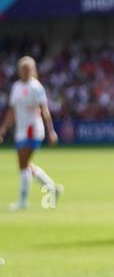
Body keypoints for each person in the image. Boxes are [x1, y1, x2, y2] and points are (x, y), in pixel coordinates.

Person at [1, 56, 62, 211]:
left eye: (28, 69)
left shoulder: (36, 87)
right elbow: (12, 111)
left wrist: (51, 131)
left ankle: (23, 201)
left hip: (33, 129)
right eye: (23, 69)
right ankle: (51, 187)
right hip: (20, 131)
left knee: (23, 164)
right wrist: (3, 128)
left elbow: (45, 110)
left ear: (32, 70)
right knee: (25, 164)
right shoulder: (16, 87)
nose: (25, 72)